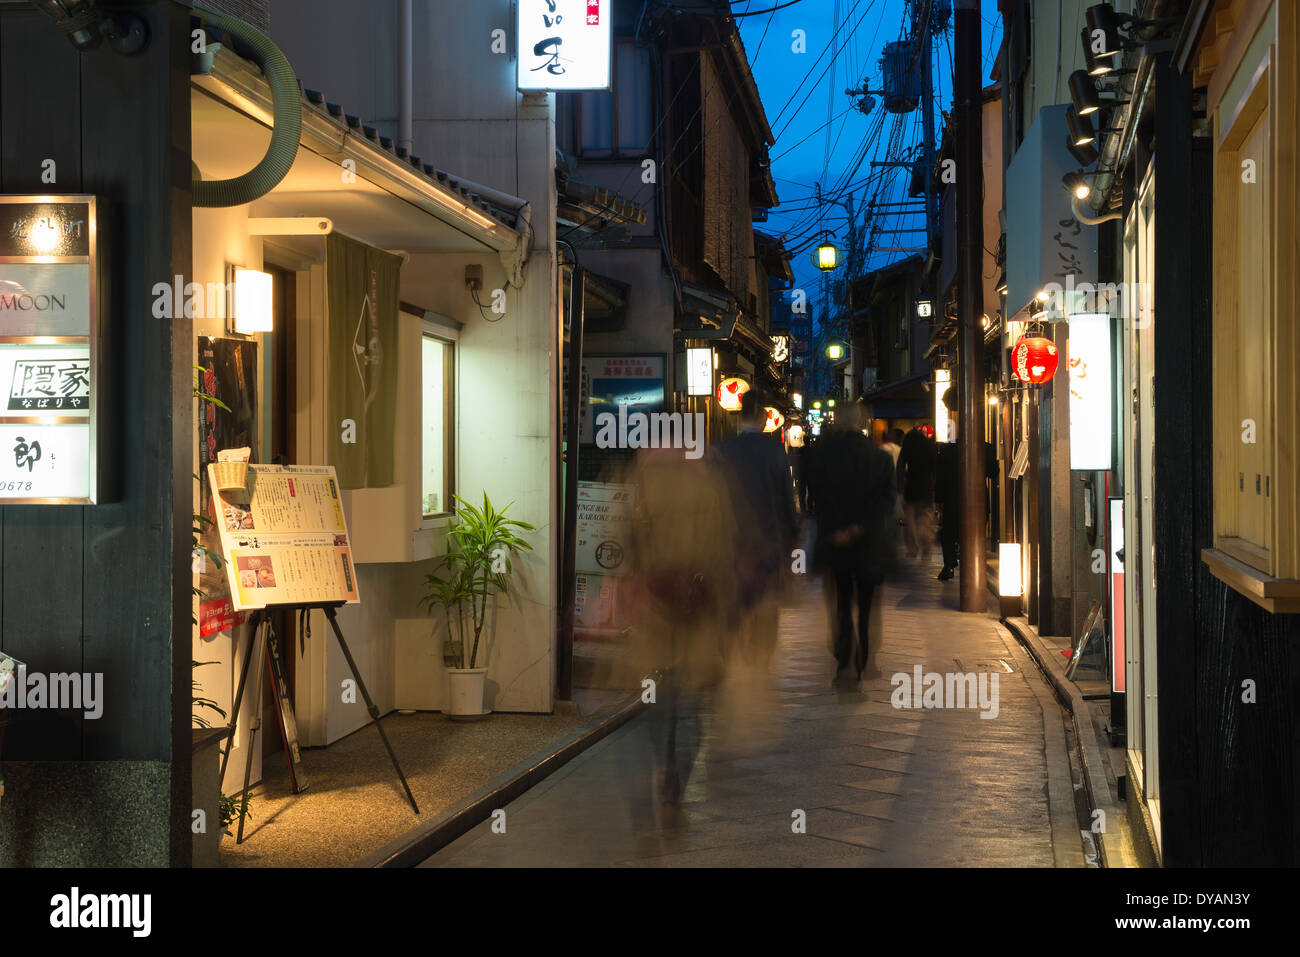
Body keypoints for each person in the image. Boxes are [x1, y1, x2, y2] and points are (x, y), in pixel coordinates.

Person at [806, 400, 897, 681]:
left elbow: (816, 499)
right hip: (869, 542)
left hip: (835, 541)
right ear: (862, 423)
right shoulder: (880, 458)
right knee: (867, 605)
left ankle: (844, 660)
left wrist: (838, 529)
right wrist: (859, 527)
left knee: (842, 601)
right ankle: (864, 659)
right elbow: (886, 503)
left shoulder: (820, 456)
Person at [712, 389, 800, 667]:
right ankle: (759, 661)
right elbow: (787, 501)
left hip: (729, 543)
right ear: (762, 415)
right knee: (765, 605)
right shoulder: (775, 453)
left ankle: (729, 657)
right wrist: (792, 543)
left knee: (731, 602)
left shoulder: (722, 451)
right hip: (766, 544)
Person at [896, 424, 937, 561]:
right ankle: (926, 544)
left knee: (910, 519)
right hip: (926, 487)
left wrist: (900, 486)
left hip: (911, 486)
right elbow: (935, 467)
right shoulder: (929, 447)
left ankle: (912, 548)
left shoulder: (907, 447)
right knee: (925, 517)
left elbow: (900, 467)